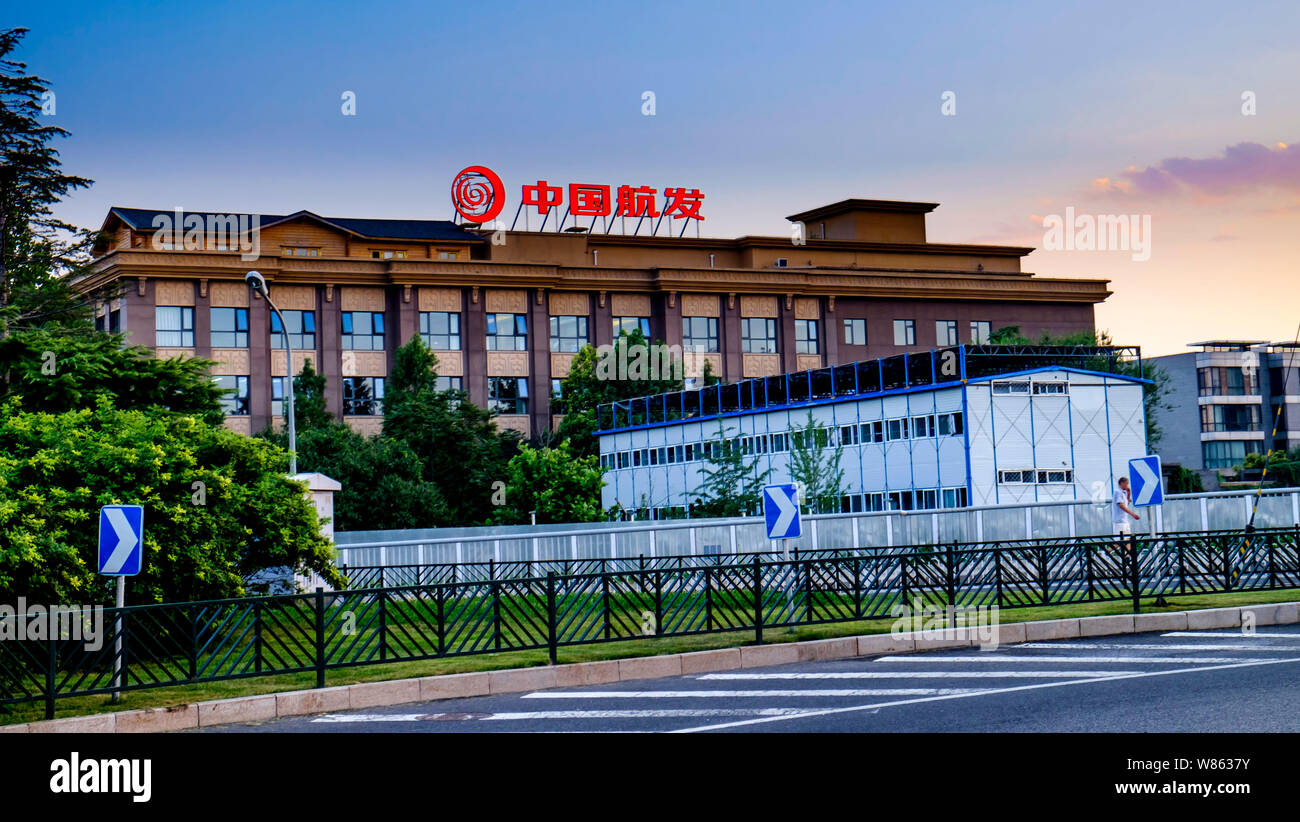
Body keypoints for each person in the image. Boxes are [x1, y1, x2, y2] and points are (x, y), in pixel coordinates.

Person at [1111, 476, 1140, 557]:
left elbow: (1126, 503)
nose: (1127, 486)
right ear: (1121, 483)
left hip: (1124, 520)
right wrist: (1133, 514)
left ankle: (1127, 556)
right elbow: (1121, 505)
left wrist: (1129, 493)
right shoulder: (1118, 492)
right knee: (1121, 541)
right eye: (1126, 484)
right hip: (1119, 521)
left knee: (1128, 539)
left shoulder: (1123, 493)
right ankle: (1108, 551)